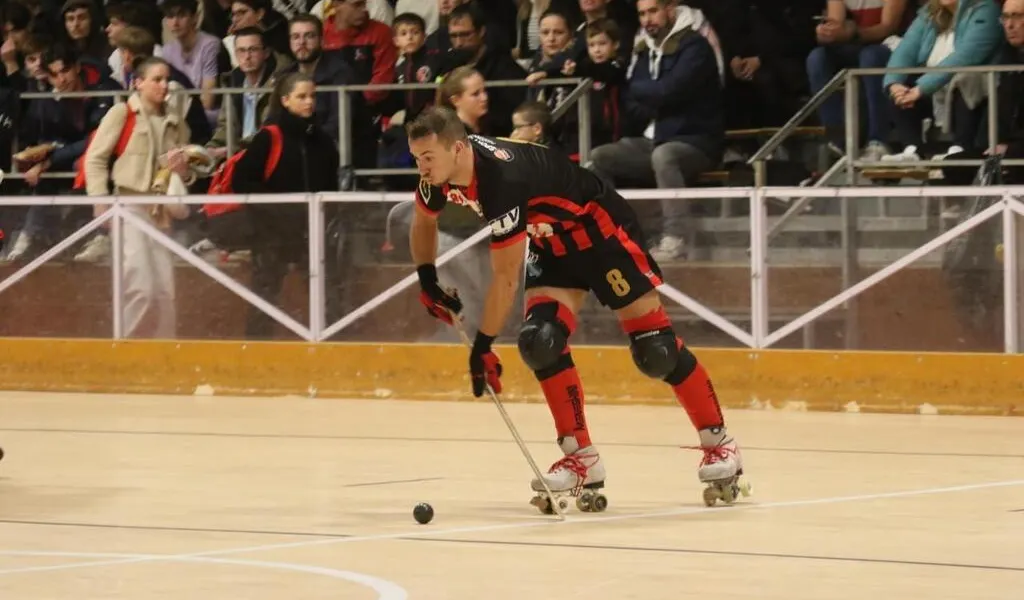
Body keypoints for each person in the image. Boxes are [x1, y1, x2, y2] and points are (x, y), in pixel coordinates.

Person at [406, 106, 746, 508]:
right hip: (551, 240)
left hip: (600, 230)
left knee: (657, 352)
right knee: (539, 341)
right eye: (416, 159)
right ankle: (580, 458)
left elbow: (506, 277)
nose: (422, 168)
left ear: (458, 149)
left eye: (428, 158)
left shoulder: (501, 180)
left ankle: (720, 443)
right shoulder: (439, 173)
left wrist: (483, 345)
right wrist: (427, 280)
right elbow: (424, 221)